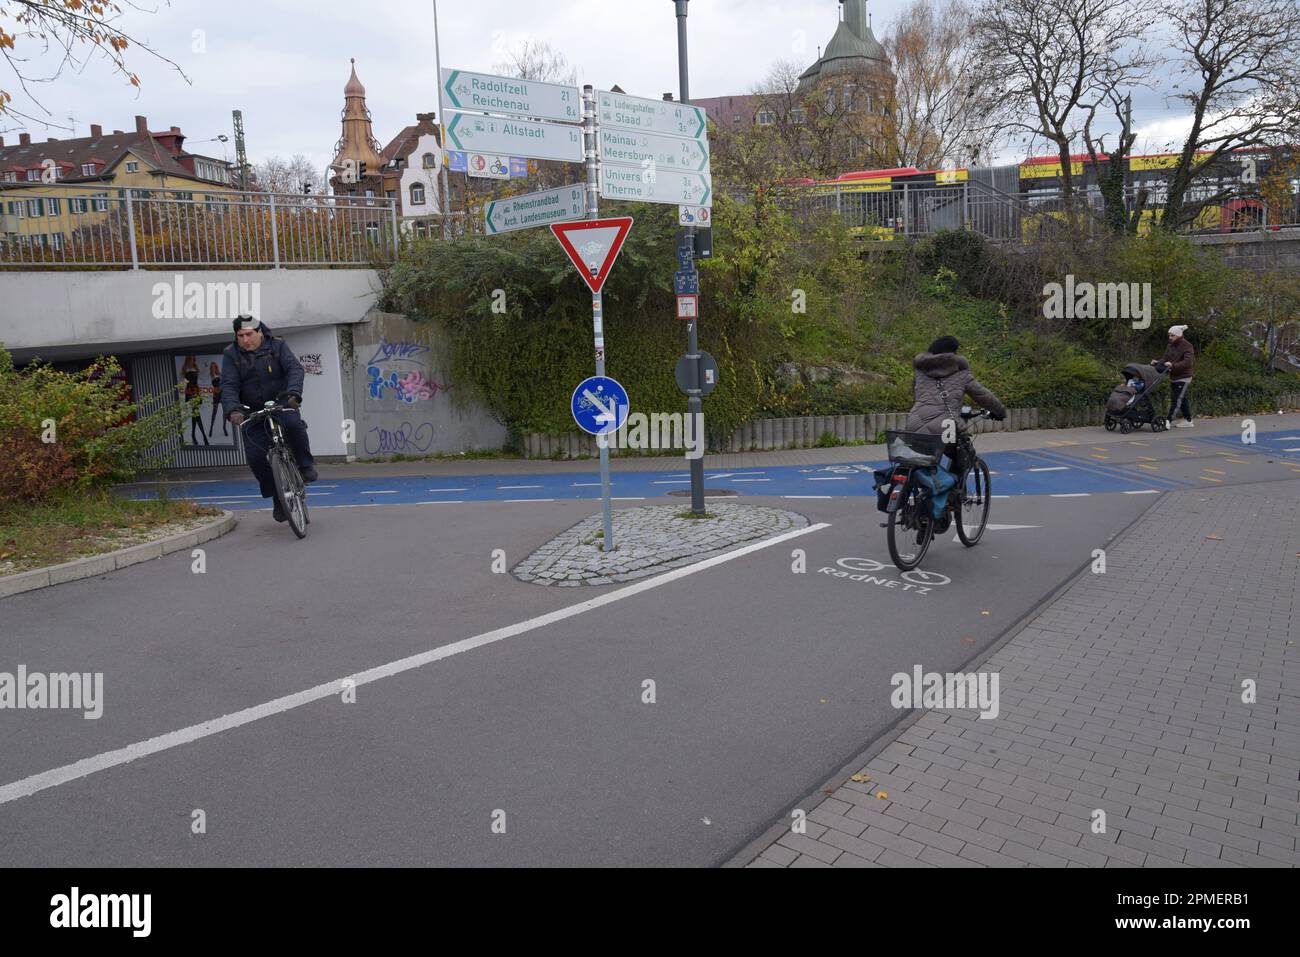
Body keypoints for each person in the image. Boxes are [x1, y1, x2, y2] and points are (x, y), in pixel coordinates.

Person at [220, 315, 318, 522]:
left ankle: (304, 465)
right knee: (256, 457)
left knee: (294, 425)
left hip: (282, 402)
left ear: (259, 332)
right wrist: (233, 410)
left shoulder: (278, 346)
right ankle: (277, 497)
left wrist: (293, 393)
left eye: (249, 334)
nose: (245, 340)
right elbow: (229, 385)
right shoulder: (230, 355)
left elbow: (294, 369)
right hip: (251, 411)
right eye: (240, 335)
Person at [905, 335, 1007, 477]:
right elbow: (983, 396)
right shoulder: (961, 373)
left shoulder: (920, 372)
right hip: (945, 428)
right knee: (964, 453)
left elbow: (917, 396)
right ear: (953, 353)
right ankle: (953, 492)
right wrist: (1000, 411)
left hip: (913, 424)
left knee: (921, 457)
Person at [1153, 324, 1195, 428]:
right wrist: (1157, 362)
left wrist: (1173, 365)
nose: (1170, 338)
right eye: (1169, 335)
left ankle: (1168, 421)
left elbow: (1188, 362)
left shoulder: (1187, 346)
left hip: (1184, 376)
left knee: (1176, 399)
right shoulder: (1170, 346)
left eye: (1172, 335)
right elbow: (1165, 359)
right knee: (1181, 398)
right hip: (1174, 375)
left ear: (1179, 335)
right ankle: (1188, 420)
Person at [179, 355, 209, 446]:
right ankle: (204, 437)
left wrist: (206, 366)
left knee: (195, 414)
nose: (193, 361)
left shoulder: (196, 368)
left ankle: (193, 434)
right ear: (188, 360)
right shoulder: (185, 369)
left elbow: (203, 376)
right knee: (196, 413)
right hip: (190, 391)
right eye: (191, 359)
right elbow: (181, 381)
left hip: (196, 390)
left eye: (193, 359)